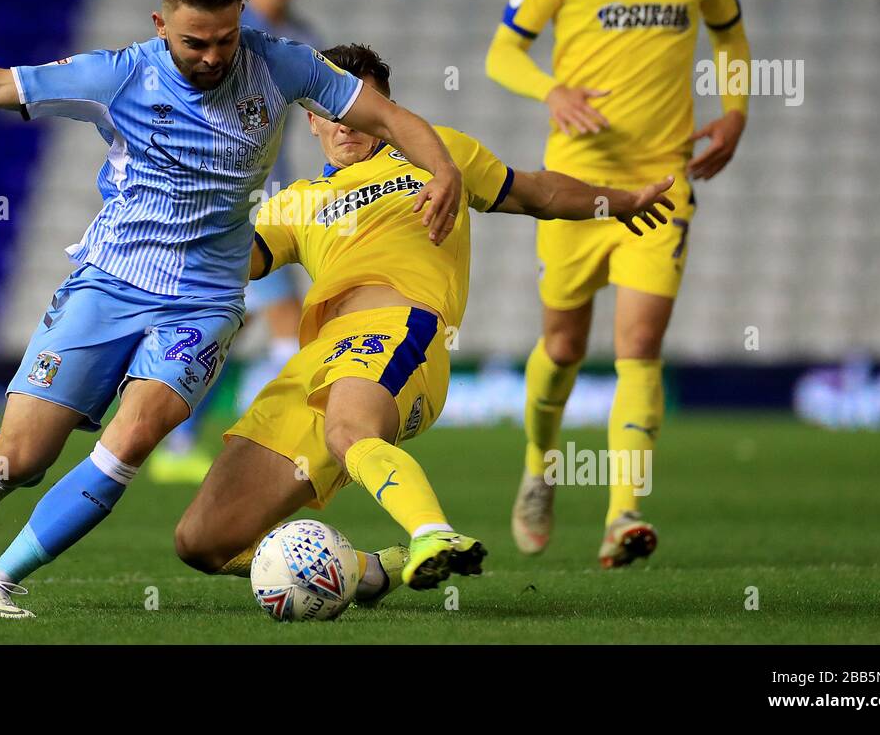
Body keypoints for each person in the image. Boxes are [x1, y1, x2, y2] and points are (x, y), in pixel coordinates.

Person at [0, 0, 465, 619]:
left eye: (225, 39)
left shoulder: (281, 63)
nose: (212, 56)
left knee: (137, 431)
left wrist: (442, 168)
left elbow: (385, 116)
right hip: (110, 283)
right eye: (194, 42)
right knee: (24, 457)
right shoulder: (117, 75)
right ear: (159, 24)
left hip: (204, 303)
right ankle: (2, 467)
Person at [173, 43, 674, 599]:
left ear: (384, 111)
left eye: (359, 109)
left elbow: (539, 190)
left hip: (398, 330)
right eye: (329, 110)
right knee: (202, 541)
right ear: (311, 118)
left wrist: (618, 201)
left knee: (348, 430)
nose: (345, 124)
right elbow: (233, 264)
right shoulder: (293, 202)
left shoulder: (435, 159)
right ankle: (372, 569)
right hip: (314, 362)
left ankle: (435, 534)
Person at [485, 0, 752, 567]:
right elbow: (503, 54)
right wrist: (551, 92)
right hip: (573, 189)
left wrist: (735, 111)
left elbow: (730, 35)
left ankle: (623, 512)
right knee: (563, 347)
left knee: (639, 346)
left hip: (661, 186)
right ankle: (538, 469)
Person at [149, 0, 321, 484]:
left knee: (233, 325)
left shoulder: (295, 36)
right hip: (242, 198)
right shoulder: (236, 36)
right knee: (283, 323)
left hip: (278, 189)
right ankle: (263, 450)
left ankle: (179, 439)